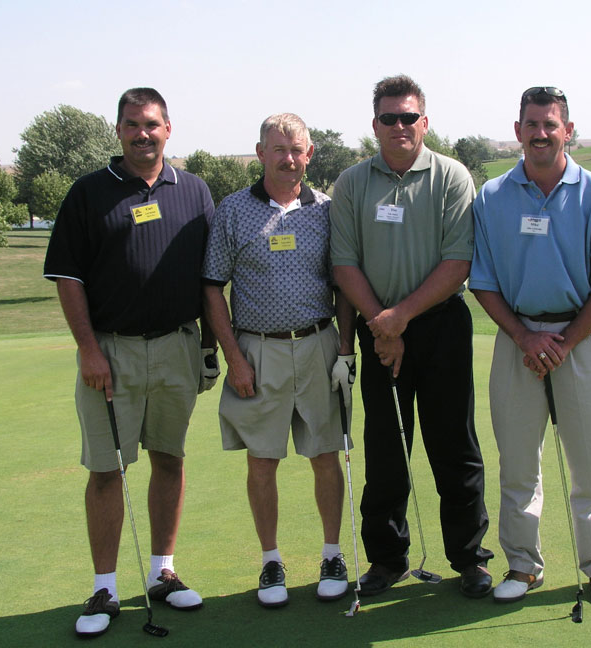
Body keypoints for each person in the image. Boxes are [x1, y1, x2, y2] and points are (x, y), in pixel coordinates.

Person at [44, 88, 218, 637]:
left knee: (170, 458)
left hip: (176, 346)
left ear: (169, 129)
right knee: (106, 470)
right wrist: (89, 350)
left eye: (151, 124)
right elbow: (68, 276)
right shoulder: (89, 192)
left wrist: (210, 347)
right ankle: (105, 587)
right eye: (131, 125)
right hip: (110, 352)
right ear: (117, 131)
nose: (142, 134)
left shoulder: (193, 190)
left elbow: (210, 280)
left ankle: (162, 572)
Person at [330, 74, 494, 599]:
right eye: (388, 118)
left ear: (424, 121)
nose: (399, 127)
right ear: (374, 124)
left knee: (454, 446)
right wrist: (382, 323)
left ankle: (469, 557)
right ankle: (386, 559)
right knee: (385, 451)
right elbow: (344, 263)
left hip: (440, 325)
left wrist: (397, 318)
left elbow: (458, 262)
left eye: (408, 117)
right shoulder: (353, 183)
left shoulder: (450, 175)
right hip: (377, 329)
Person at [469, 86, 591, 606]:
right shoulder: (492, 196)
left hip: (580, 340)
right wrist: (524, 336)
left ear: (568, 130)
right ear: (518, 132)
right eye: (531, 124)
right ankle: (523, 565)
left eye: (551, 124)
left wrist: (561, 342)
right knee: (517, 463)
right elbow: (483, 281)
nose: (541, 133)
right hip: (517, 340)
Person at [201, 113, 357, 608]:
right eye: (278, 149)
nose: (289, 159)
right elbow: (212, 286)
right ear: (260, 153)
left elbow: (344, 284)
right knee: (262, 459)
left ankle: (331, 555)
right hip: (257, 349)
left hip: (318, 345)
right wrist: (234, 358)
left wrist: (346, 352)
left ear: (309, 154)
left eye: (297, 150)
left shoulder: (328, 211)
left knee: (324, 455)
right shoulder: (232, 211)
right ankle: (271, 561)